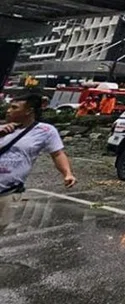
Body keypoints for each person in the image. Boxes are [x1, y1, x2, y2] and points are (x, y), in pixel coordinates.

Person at [0, 93, 77, 230]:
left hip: (9, 191)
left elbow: (57, 153)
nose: (9, 110)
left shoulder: (45, 131)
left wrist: (67, 173)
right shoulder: (2, 128)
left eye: (14, 108)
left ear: (29, 111)